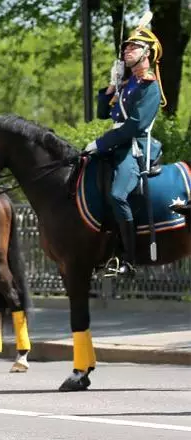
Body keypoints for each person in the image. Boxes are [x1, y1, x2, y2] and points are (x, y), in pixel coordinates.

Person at [84, 25, 167, 278]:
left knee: (118, 194)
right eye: (126, 47)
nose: (127, 50)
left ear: (147, 54)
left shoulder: (148, 87)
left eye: (134, 47)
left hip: (135, 145)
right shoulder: (128, 84)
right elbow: (101, 114)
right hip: (117, 142)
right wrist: (112, 85)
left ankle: (129, 260)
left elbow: (134, 126)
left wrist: (100, 143)